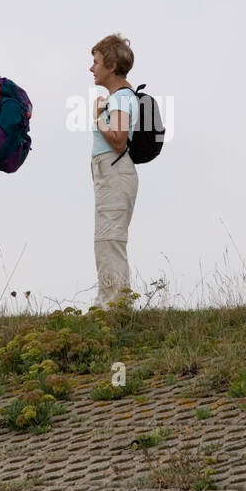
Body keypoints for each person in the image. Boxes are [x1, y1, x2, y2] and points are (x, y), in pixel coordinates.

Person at [89, 34, 139, 308]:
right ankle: (110, 302)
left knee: (109, 238)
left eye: (96, 62)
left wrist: (97, 118)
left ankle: (114, 306)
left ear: (110, 66)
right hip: (113, 173)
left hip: (115, 172)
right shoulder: (121, 97)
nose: (91, 68)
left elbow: (118, 139)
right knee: (106, 238)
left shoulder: (120, 98)